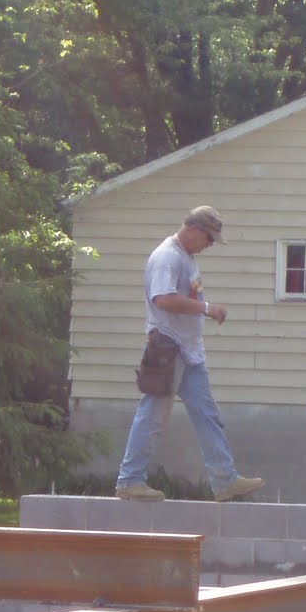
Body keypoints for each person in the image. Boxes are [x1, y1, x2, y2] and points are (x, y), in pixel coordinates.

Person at [114, 205, 265, 503]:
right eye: (209, 239)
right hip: (168, 348)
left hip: (188, 351)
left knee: (207, 414)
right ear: (195, 230)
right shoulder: (167, 257)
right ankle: (130, 480)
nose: (209, 246)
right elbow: (164, 298)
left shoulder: (186, 257)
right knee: (152, 415)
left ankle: (225, 481)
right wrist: (207, 309)